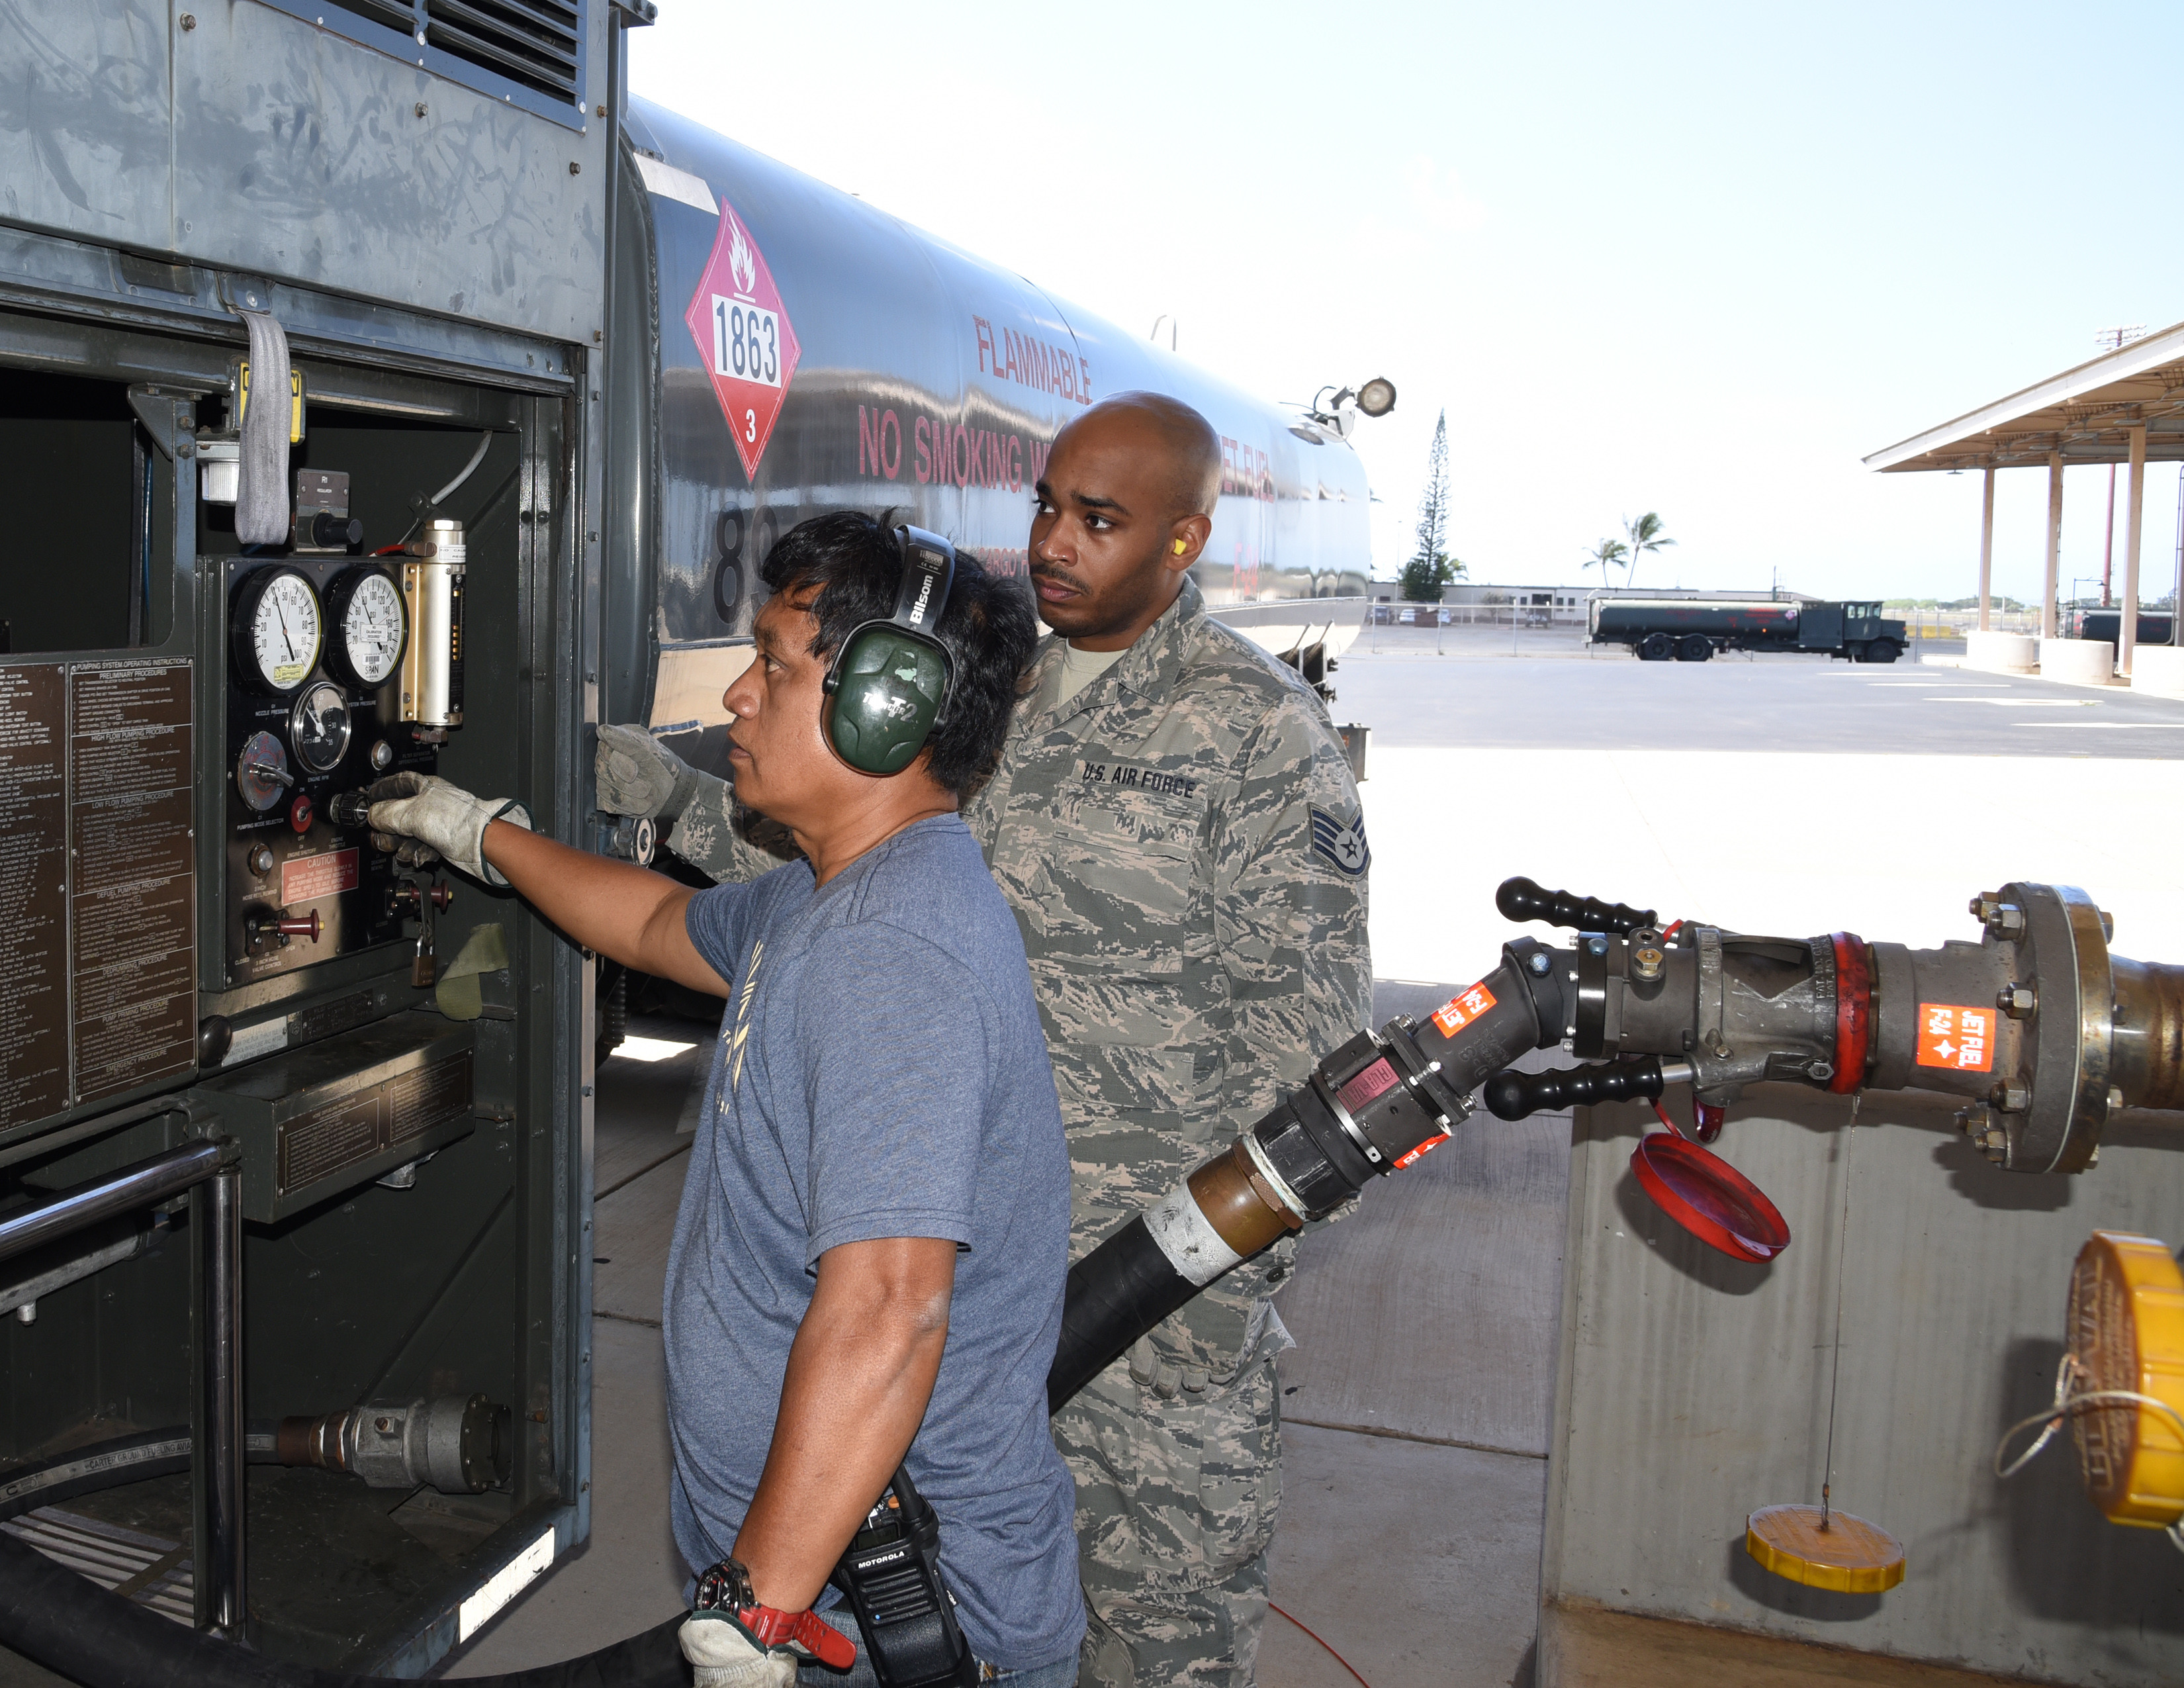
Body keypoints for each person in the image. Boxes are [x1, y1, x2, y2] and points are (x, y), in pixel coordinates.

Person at [600, 395, 1371, 1687]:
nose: (1056, 542)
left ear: (1186, 541)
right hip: (942, 1300)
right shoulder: (971, 687)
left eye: (1100, 520)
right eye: (1047, 508)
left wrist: (1185, 1253)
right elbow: (821, 869)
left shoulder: (1255, 735)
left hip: (1146, 1323)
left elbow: (1310, 1045)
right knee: (926, 1637)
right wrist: (676, 796)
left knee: (1158, 1646)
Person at [369, 513, 1083, 1688]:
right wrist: (480, 836)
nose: (740, 697)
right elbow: (653, 921)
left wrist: (757, 1618)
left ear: (887, 705)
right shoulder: (827, 897)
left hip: (880, 1630)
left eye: (773, 663)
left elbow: (891, 1309)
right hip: (828, 1592)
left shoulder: (890, 951)